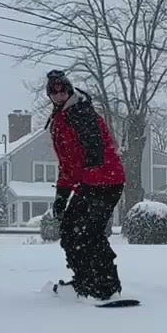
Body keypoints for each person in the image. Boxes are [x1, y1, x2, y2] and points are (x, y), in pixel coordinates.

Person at [45, 70, 127, 300]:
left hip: (106, 181)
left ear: (69, 89)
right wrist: (61, 195)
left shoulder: (79, 111)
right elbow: (68, 163)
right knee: (70, 231)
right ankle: (85, 280)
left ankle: (107, 286)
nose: (59, 94)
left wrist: (93, 161)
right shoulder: (61, 119)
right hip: (88, 183)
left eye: (63, 89)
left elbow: (94, 145)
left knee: (89, 233)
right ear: (50, 95)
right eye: (54, 91)